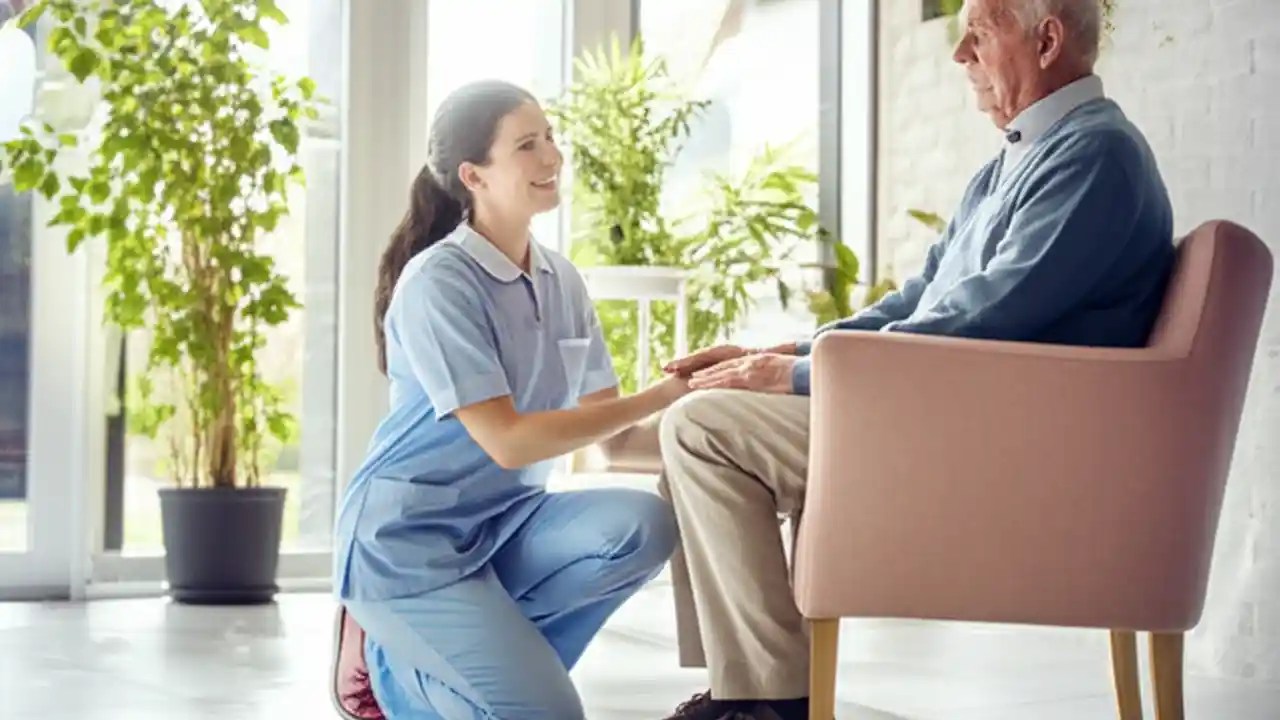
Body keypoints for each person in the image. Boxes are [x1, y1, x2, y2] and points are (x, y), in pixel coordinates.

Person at [657, 1, 1176, 718]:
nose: (958, 54)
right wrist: (783, 353)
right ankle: (756, 688)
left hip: (992, 443)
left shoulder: (1096, 155)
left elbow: (986, 320)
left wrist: (800, 376)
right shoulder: (1014, 163)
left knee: (701, 431)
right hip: (948, 415)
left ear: (1048, 39)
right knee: (701, 415)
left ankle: (768, 698)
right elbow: (920, 300)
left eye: (978, 34)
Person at [330, 80, 688, 720]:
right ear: (474, 175)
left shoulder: (561, 280)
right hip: (407, 545)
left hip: (505, 524)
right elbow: (510, 439)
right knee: (549, 715)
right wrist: (661, 393)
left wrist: (716, 420)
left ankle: (483, 666)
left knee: (644, 525)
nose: (552, 157)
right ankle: (389, 672)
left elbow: (614, 443)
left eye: (549, 137)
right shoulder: (440, 281)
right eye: (527, 145)